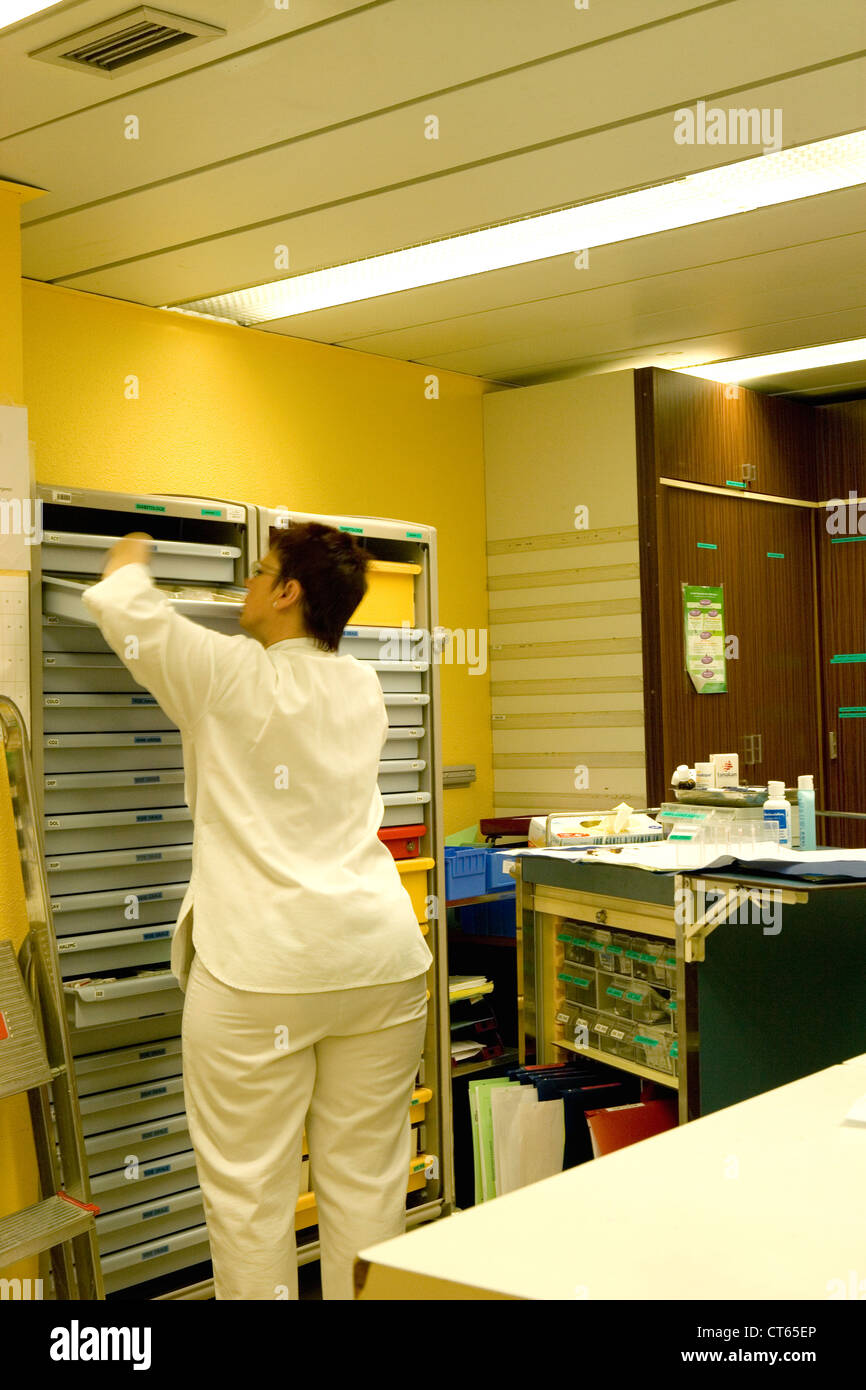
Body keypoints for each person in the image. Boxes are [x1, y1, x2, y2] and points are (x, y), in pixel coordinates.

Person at [81, 522, 433, 1300]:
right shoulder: (363, 686)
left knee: (249, 1200)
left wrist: (131, 553)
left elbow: (125, 609)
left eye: (260, 572)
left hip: (259, 973)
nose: (246, 586)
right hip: (380, 964)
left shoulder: (229, 675)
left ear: (287, 592)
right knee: (369, 1188)